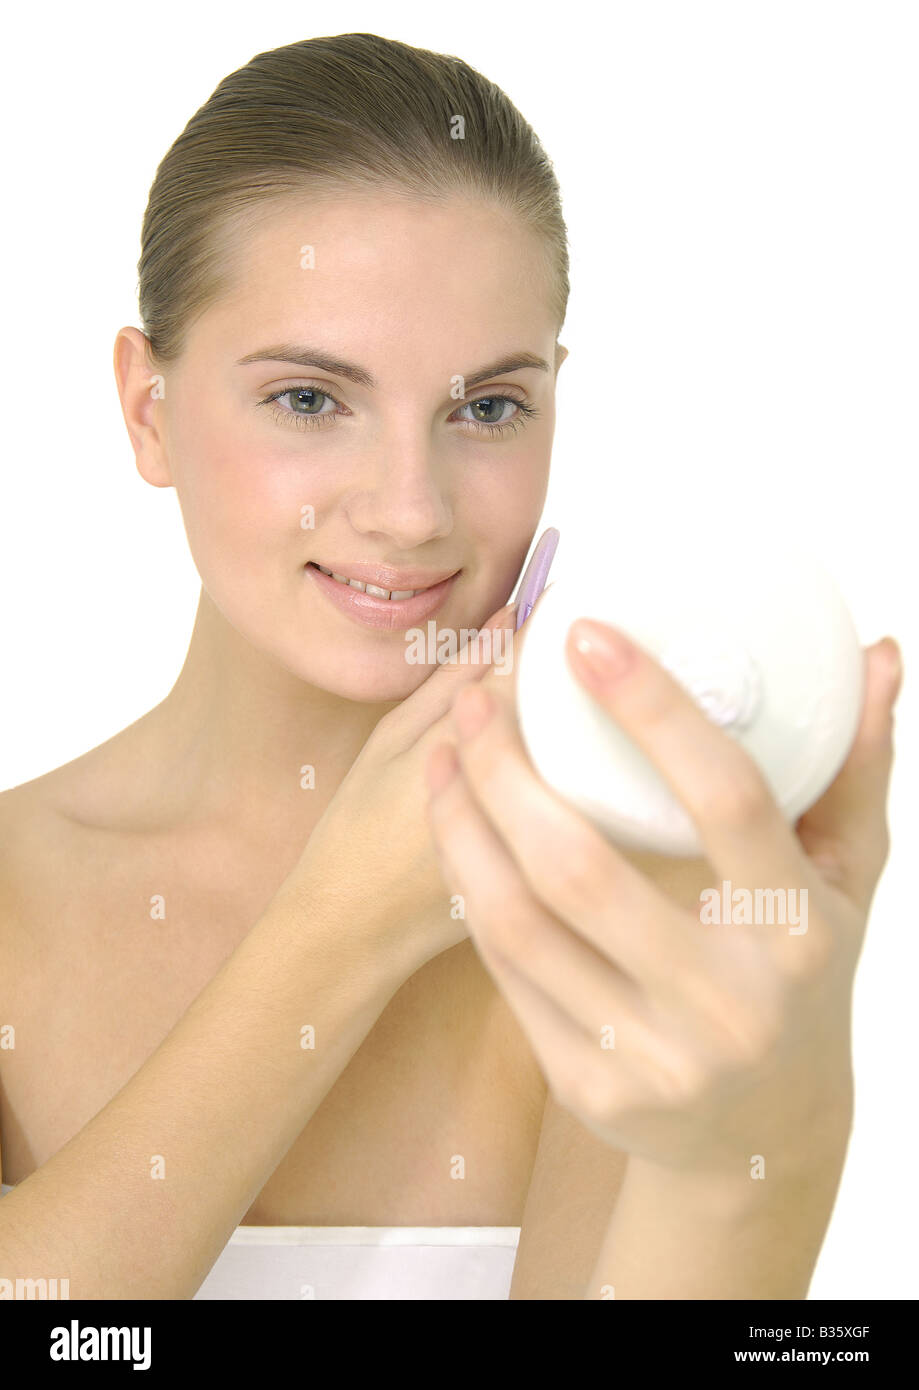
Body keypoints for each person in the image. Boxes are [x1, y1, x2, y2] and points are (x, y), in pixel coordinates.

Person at [0, 32, 902, 1301]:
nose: (411, 510)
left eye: (486, 407)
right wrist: (343, 927)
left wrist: (770, 1144)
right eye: (311, 399)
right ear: (149, 408)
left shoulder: (622, 907)